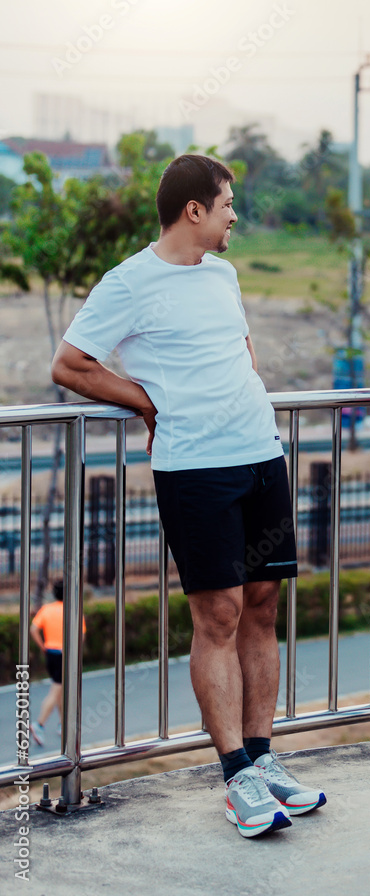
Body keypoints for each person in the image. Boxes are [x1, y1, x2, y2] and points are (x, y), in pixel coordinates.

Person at [51, 154, 325, 838]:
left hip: (261, 453)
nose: (236, 214)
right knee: (219, 617)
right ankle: (235, 779)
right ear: (194, 210)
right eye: (227, 203)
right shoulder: (130, 282)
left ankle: (263, 763)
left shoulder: (223, 274)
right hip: (195, 469)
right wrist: (148, 404)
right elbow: (71, 365)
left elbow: (241, 353)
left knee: (262, 608)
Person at [29, 578, 86, 744]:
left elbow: (33, 629)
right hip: (65, 654)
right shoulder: (73, 610)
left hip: (51, 654)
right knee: (56, 690)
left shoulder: (46, 609)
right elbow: (80, 635)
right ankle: (39, 724)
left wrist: (43, 647)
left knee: (60, 689)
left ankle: (63, 725)